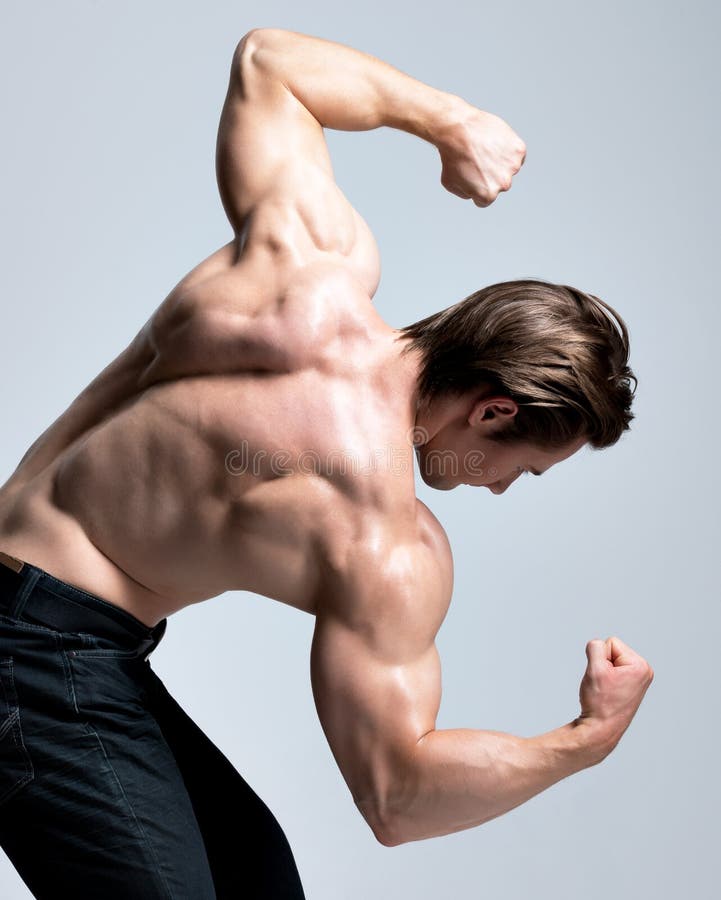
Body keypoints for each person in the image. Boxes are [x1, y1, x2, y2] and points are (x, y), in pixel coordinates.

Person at [0, 26, 654, 899]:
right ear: (494, 409)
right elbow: (397, 798)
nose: (497, 487)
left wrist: (451, 121)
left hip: (68, 638)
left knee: (258, 884)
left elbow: (269, 64)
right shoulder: (380, 537)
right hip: (35, 653)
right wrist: (584, 741)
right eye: (520, 468)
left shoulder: (303, 270)